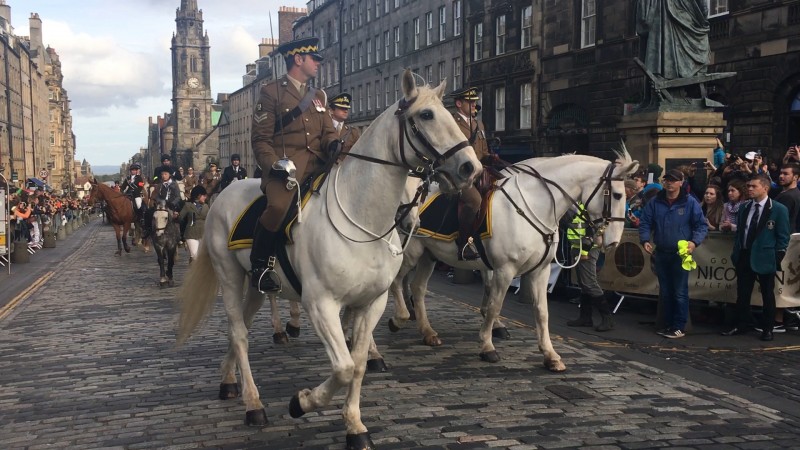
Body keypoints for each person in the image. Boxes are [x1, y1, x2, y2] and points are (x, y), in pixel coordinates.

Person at [249, 36, 338, 293]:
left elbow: (328, 130)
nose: (318, 64)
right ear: (298, 59)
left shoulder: (319, 95)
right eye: (314, 59)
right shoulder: (271, 92)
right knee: (277, 207)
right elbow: (260, 140)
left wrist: (333, 143)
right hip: (287, 170)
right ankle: (260, 265)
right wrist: (275, 164)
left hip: (320, 165)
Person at [639, 168, 708, 339]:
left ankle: (679, 326)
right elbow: (645, 222)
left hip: (681, 253)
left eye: (673, 180)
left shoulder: (690, 202)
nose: (669, 183)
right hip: (661, 252)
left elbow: (701, 225)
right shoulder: (655, 202)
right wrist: (645, 239)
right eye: (667, 180)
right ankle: (668, 323)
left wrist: (694, 242)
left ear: (681, 182)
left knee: (679, 291)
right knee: (666, 291)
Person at [722, 174, 790, 341]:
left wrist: (777, 256)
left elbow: (783, 236)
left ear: (765, 188)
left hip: (765, 256)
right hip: (745, 254)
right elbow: (741, 231)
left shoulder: (778, 209)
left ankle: (768, 328)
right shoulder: (745, 207)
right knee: (742, 293)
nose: (749, 189)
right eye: (749, 186)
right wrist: (737, 251)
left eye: (753, 186)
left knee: (767, 294)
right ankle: (741, 324)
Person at [449, 86, 496, 260]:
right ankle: (464, 242)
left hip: (480, 171)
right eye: (470, 102)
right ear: (459, 103)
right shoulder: (452, 123)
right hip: (460, 173)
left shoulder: (478, 123)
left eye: (475, 102)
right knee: (475, 201)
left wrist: (491, 157)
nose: (474, 105)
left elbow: (482, 150)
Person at [564, 204, 614, 332]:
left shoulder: (591, 207)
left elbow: (596, 229)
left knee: (589, 283)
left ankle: (607, 319)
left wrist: (585, 250)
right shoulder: (580, 205)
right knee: (584, 283)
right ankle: (585, 317)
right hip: (577, 246)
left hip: (587, 249)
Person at [635, 0, 710, 80]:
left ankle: (660, 71)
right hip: (681, 17)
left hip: (664, 16)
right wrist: (703, 18)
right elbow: (703, 8)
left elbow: (643, 16)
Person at [179, 185, 209, 264]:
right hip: (191, 233)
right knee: (195, 256)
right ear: (198, 196)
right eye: (203, 196)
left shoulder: (206, 206)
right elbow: (181, 218)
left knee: (203, 256)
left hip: (204, 233)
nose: (205, 198)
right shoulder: (188, 205)